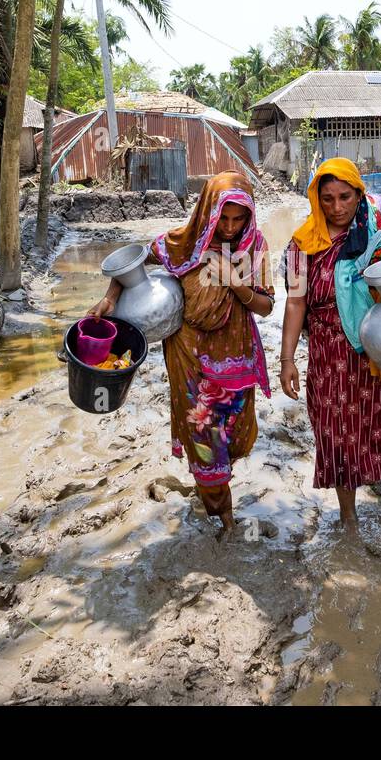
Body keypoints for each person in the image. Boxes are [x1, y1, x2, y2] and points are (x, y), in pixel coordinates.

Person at [88, 172, 273, 533]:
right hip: (190, 360)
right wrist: (110, 298)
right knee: (204, 441)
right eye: (225, 218)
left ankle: (216, 493)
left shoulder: (255, 247)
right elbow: (133, 262)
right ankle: (225, 518)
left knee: (232, 438)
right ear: (208, 210)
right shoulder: (183, 242)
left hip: (235, 360)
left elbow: (265, 307)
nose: (232, 227)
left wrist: (236, 284)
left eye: (240, 219)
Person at [279, 157, 381, 533]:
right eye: (327, 199)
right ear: (316, 198)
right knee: (336, 435)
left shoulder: (379, 234)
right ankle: (349, 514)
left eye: (345, 197)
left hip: (376, 349)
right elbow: (296, 302)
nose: (337, 207)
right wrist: (286, 359)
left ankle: (376, 480)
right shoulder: (303, 244)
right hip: (330, 355)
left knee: (378, 424)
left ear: (359, 193)